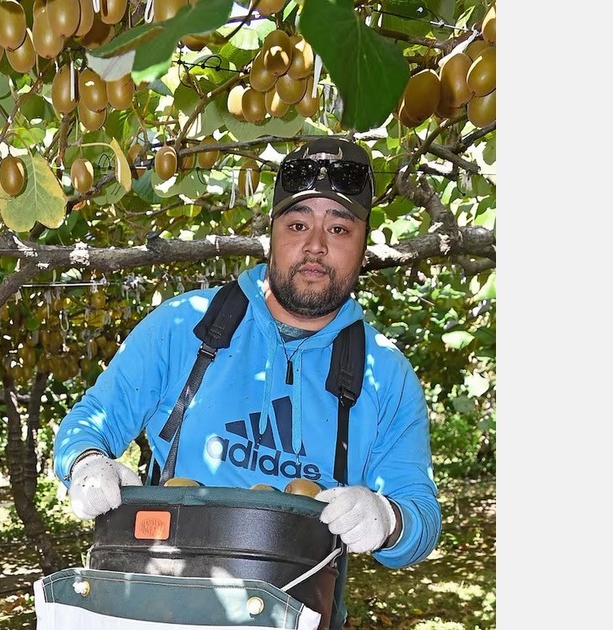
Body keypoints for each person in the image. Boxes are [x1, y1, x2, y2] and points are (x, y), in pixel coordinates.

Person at [52, 136, 441, 627]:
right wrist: (87, 463)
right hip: (166, 613)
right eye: (297, 224)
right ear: (271, 233)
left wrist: (389, 519)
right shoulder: (184, 326)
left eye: (339, 229)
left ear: (364, 245)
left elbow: (420, 514)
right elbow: (89, 422)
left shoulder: (384, 374)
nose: (315, 246)